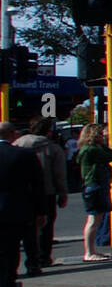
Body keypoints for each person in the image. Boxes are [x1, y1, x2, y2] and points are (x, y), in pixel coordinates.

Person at [0, 121, 45, 287]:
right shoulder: (24, 155)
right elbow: (38, 186)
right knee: (11, 252)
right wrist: (40, 211)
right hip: (15, 211)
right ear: (12, 134)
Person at [15, 117, 68, 273]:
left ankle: (29, 259)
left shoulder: (18, 144)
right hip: (46, 191)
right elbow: (59, 173)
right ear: (48, 132)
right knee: (46, 225)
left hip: (21, 192)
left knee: (23, 227)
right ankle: (43, 257)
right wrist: (62, 193)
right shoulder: (52, 148)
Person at [77, 124, 112, 261]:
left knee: (96, 219)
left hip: (94, 186)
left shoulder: (87, 149)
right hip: (95, 186)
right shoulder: (92, 150)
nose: (102, 136)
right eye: (99, 134)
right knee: (93, 220)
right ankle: (89, 252)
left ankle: (91, 251)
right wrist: (104, 145)